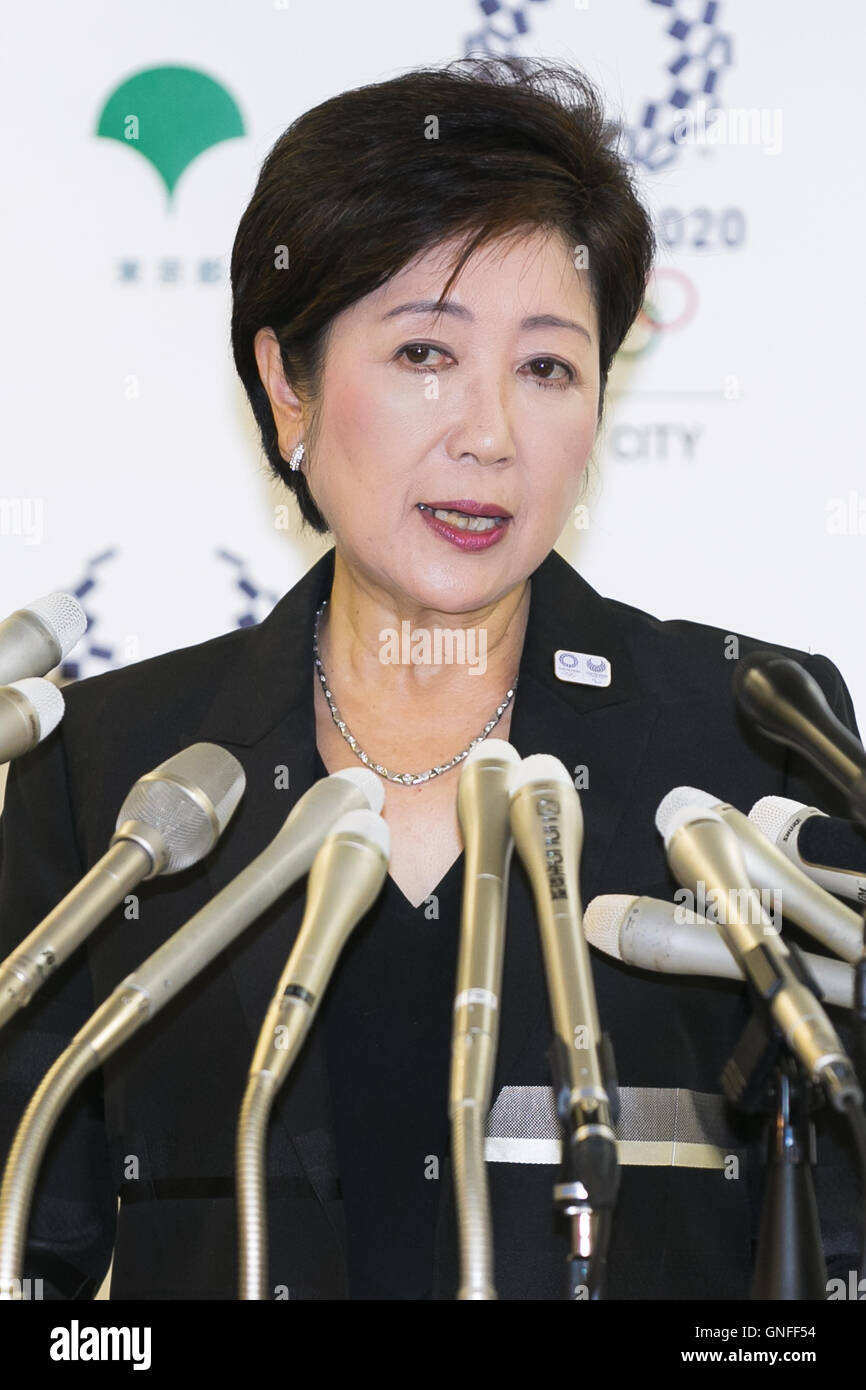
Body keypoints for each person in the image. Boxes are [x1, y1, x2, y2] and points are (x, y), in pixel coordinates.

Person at [0, 56, 860, 1301]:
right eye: (422, 354)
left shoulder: (742, 740)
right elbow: (36, 1256)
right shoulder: (112, 774)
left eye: (546, 368)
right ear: (286, 385)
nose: (488, 434)